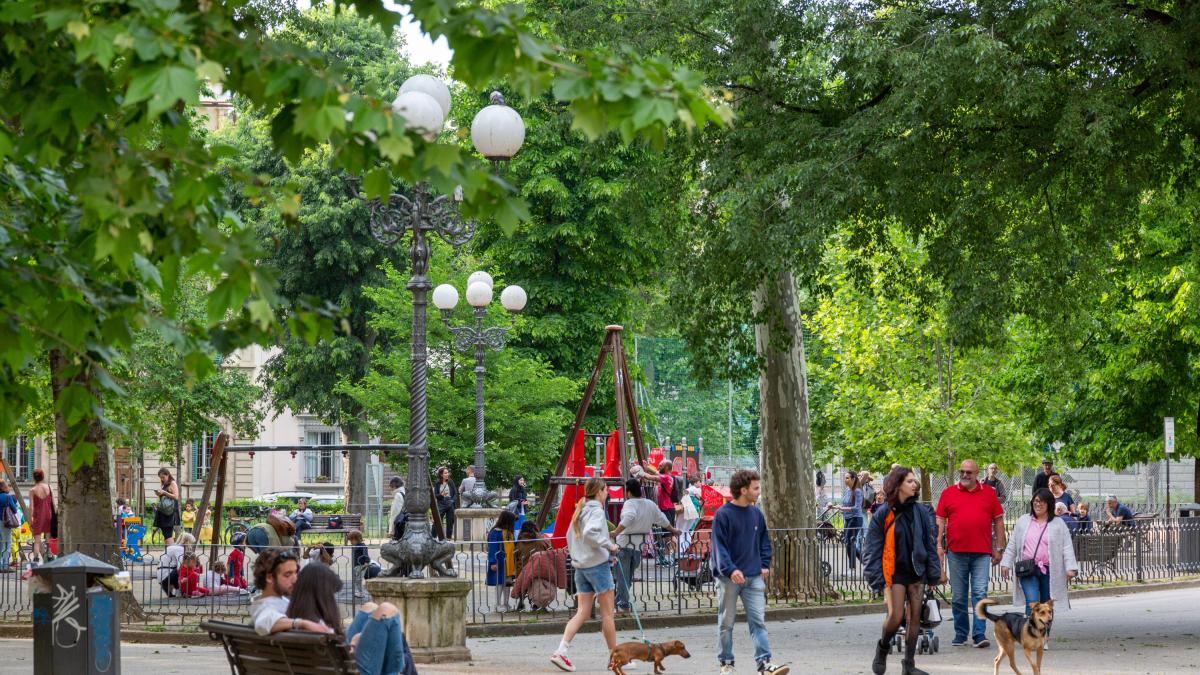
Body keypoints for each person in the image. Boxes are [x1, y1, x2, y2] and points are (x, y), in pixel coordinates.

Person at [711, 469, 788, 675]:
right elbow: (719, 547)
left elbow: (764, 541)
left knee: (758, 622)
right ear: (743, 490)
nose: (758, 491)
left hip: (754, 577)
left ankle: (764, 663)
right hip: (729, 579)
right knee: (726, 623)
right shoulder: (723, 515)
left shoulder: (756, 513)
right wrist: (730, 569)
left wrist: (764, 564)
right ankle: (726, 662)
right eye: (755, 488)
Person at [865, 466, 940, 675]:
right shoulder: (883, 513)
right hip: (893, 572)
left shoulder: (922, 512)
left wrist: (934, 573)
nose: (914, 484)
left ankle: (909, 665)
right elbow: (872, 549)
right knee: (896, 616)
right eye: (909, 481)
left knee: (915, 618)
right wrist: (876, 580)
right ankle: (882, 648)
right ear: (897, 485)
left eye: (914, 481)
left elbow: (930, 543)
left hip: (917, 571)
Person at [286, 563, 418, 675]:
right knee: (387, 610)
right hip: (347, 670)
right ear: (322, 595)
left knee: (369, 607)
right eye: (331, 594)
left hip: (335, 662)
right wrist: (352, 645)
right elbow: (336, 658)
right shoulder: (315, 626)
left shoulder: (295, 614)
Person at [549, 476, 620, 672]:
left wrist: (579, 556)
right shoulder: (596, 511)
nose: (607, 494)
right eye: (606, 491)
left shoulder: (579, 511)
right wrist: (610, 546)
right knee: (608, 614)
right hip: (597, 565)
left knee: (582, 612)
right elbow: (591, 534)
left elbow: (571, 538)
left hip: (581, 566)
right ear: (599, 492)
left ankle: (561, 651)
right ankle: (615, 658)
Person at [935, 459, 1005, 648]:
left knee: (980, 593)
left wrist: (999, 547)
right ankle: (960, 633)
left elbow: (998, 521)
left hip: (982, 553)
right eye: (962, 472)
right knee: (958, 596)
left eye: (969, 472)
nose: (965, 475)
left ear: (977, 474)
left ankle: (979, 634)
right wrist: (938, 545)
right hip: (956, 552)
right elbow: (940, 520)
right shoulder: (948, 493)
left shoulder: (989, 493)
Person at [1000, 489, 1078, 618]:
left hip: (1049, 571)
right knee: (1032, 603)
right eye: (1036, 501)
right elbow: (1013, 544)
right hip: (1028, 569)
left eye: (1042, 502)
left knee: (1046, 605)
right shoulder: (1023, 521)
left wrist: (1071, 568)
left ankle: (1044, 636)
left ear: (1049, 504)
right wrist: (1006, 563)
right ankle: (1030, 636)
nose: (1038, 504)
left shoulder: (1058, 524)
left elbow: (1067, 547)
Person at [610, 477, 681, 614]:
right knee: (626, 577)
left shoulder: (630, 504)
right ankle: (619, 603)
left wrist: (615, 532)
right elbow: (662, 519)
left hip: (624, 544)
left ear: (629, 492)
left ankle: (623, 604)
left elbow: (629, 517)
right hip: (638, 546)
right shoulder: (650, 504)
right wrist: (673, 530)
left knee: (622, 577)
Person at [250, 548, 329, 636]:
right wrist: (301, 623)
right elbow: (262, 623)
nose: (295, 580)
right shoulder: (266, 608)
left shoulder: (269, 602)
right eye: (288, 574)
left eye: (295, 573)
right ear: (269, 578)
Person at [487, 509, 517, 612]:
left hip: (508, 562)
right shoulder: (495, 532)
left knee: (507, 583)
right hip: (499, 561)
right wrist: (493, 562)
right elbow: (492, 548)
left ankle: (506, 603)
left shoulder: (509, 532)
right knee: (499, 583)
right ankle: (498, 604)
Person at [838, 470, 864, 568]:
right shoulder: (847, 491)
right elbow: (844, 504)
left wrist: (842, 508)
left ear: (853, 479)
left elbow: (857, 508)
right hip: (848, 519)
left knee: (850, 542)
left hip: (856, 519)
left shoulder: (857, 491)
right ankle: (865, 562)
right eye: (845, 478)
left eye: (847, 478)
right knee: (848, 542)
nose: (845, 480)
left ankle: (852, 568)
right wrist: (834, 506)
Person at [28, 468, 55, 563]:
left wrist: (30, 520)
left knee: (37, 540)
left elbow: (31, 507)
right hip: (48, 515)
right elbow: (53, 503)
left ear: (34, 478)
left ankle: (35, 560)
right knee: (48, 538)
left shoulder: (32, 490)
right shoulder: (49, 487)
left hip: (38, 517)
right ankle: (50, 556)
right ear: (43, 476)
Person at [157, 532, 195, 597]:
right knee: (185, 569)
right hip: (167, 575)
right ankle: (182, 591)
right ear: (187, 542)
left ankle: (179, 591)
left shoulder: (172, 547)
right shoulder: (180, 549)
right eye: (191, 543)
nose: (191, 545)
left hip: (162, 575)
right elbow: (180, 565)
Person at [348, 530, 380, 599]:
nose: (350, 542)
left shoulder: (362, 546)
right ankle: (358, 591)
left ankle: (361, 593)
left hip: (360, 565)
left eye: (351, 540)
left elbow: (365, 554)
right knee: (356, 579)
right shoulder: (355, 546)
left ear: (356, 539)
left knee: (359, 579)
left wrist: (366, 561)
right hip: (356, 565)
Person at [153, 467, 181, 546]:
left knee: (168, 533)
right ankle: (168, 553)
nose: (162, 479)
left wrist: (164, 492)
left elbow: (176, 496)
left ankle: (170, 553)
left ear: (168, 475)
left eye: (163, 477)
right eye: (160, 478)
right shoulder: (164, 484)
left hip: (169, 513)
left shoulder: (173, 483)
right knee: (165, 533)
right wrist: (159, 494)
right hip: (163, 512)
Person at [435, 466, 458, 540]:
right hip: (441, 502)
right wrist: (441, 495)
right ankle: (434, 536)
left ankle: (448, 537)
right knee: (437, 520)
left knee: (450, 521)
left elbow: (455, 493)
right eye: (445, 473)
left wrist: (452, 501)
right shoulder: (438, 483)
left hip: (450, 502)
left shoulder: (450, 482)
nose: (447, 474)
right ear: (441, 474)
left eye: (447, 473)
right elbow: (436, 495)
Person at [0, 480, 17, 573]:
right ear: (2, 487)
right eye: (7, 485)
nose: (9, 487)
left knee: (0, 544)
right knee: (7, 543)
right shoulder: (7, 497)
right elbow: (14, 510)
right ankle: (4, 565)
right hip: (4, 522)